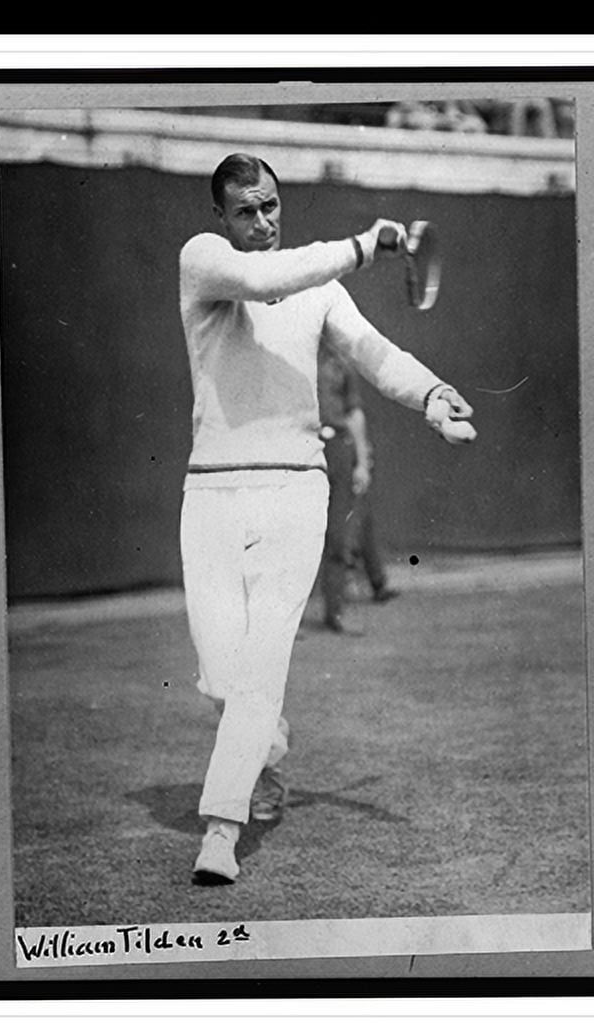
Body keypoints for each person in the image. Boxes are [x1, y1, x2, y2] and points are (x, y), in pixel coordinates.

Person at [178, 152, 476, 885]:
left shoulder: (321, 289)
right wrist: (358, 247)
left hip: (295, 490)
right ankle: (265, 755)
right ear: (221, 217)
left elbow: (376, 355)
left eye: (271, 206)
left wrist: (432, 393)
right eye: (246, 210)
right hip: (211, 492)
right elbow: (262, 280)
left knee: (260, 666)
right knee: (220, 675)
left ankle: (221, 828)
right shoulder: (205, 262)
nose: (263, 221)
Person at [317, 348, 398, 633]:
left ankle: (335, 612)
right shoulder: (292, 354)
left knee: (340, 534)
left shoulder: (340, 362)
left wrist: (362, 462)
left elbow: (353, 413)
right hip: (301, 447)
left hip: (338, 448)